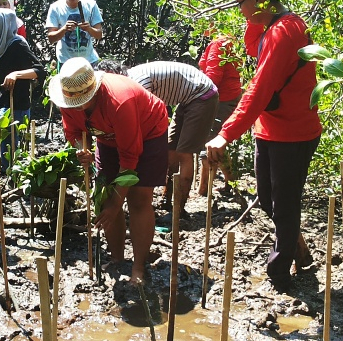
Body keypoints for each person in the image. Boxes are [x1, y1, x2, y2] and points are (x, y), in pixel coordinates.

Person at [205, 0, 322, 292]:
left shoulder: (284, 31)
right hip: (270, 129)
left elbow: (260, 88)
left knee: (283, 206)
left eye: (240, 3)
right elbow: (250, 48)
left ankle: (279, 274)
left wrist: (225, 133)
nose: (238, 9)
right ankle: (299, 249)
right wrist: (254, 19)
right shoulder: (275, 25)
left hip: (294, 133)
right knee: (270, 202)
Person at [48, 57, 168, 284]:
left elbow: (130, 158)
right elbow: (73, 132)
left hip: (148, 131)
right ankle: (117, 259)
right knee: (104, 196)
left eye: (81, 101)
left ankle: (139, 267)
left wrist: (117, 203)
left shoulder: (119, 101)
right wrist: (82, 149)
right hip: (107, 136)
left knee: (138, 198)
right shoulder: (66, 98)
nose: (75, 105)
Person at [125, 61, 218, 214]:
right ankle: (167, 199)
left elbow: (146, 119)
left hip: (202, 95)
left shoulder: (137, 83)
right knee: (170, 149)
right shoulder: (131, 80)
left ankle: (179, 209)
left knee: (184, 153)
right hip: (187, 98)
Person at [0, 7, 45, 167]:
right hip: (4, 104)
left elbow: (39, 70)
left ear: (0, 28)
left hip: (16, 107)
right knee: (7, 160)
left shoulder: (17, 45)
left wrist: (16, 75)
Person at [197, 32, 242, 194]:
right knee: (218, 141)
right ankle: (231, 183)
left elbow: (213, 77)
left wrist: (196, 98)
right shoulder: (231, 40)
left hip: (220, 100)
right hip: (230, 97)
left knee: (211, 142)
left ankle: (203, 190)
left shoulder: (219, 43)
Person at [46, 0, 103, 65]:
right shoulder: (55, 8)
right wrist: (64, 29)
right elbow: (51, 38)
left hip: (89, 61)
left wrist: (89, 29)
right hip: (66, 61)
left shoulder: (91, 5)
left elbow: (99, 35)